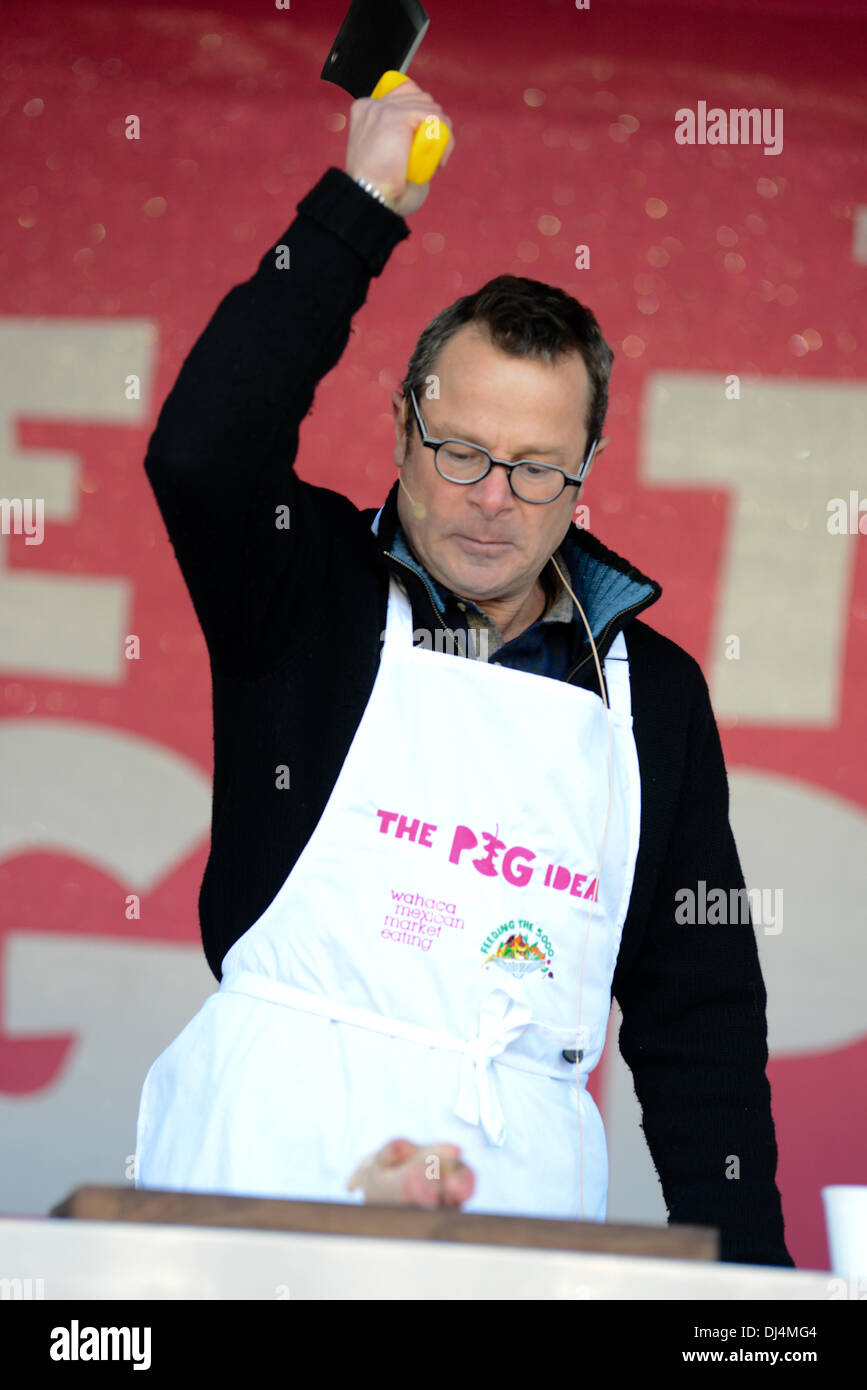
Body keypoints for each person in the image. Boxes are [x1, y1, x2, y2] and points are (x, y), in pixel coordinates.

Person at [134, 78, 794, 1266]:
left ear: (588, 472)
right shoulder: (310, 591)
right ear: (401, 429)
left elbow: (703, 1020)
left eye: (537, 468)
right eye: (462, 451)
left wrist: (759, 1299)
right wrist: (361, 201)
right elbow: (200, 445)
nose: (494, 501)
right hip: (263, 1161)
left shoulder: (654, 693)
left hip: (521, 1205)